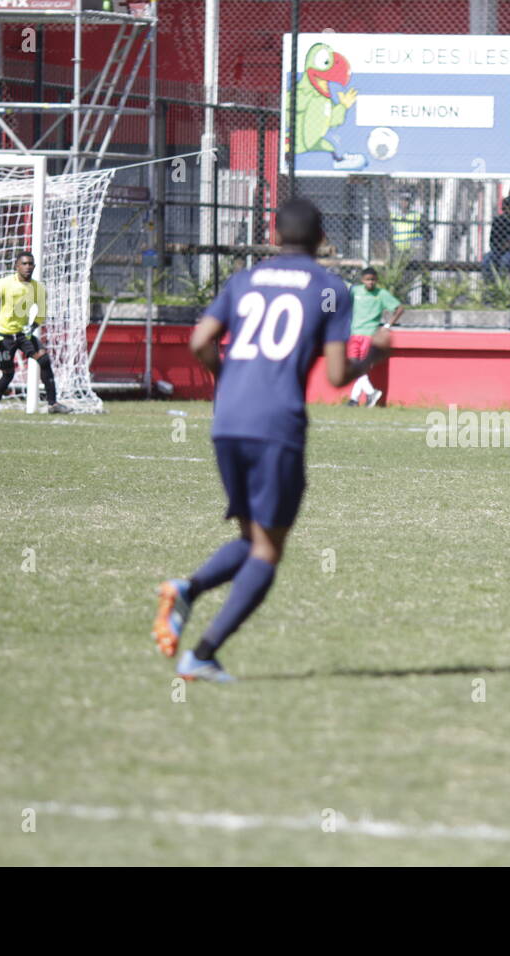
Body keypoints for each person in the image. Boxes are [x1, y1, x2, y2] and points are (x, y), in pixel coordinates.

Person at [152, 198, 392, 682]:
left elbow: (200, 342)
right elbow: (340, 372)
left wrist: (231, 378)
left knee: (252, 534)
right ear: (322, 236)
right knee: (268, 548)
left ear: (274, 231)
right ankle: (202, 653)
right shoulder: (329, 289)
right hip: (275, 422)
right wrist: (376, 356)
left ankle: (188, 590)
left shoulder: (245, 279)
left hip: (227, 420)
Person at [0, 251, 70, 414]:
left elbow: (42, 312)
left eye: (31, 264)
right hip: (3, 336)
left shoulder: (37, 288)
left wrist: (33, 326)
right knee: (8, 374)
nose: (28, 267)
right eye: (24, 264)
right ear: (17, 266)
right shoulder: (4, 284)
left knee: (44, 360)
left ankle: (53, 404)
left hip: (22, 335)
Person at [347, 266, 402, 407]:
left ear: (376, 280)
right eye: (367, 280)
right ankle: (362, 396)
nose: (370, 282)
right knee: (354, 365)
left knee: (360, 367)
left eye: (373, 280)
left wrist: (387, 326)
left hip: (369, 335)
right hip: (354, 333)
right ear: (362, 280)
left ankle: (358, 398)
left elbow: (399, 308)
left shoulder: (381, 294)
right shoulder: (355, 291)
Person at [481, 195, 510, 280]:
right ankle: (490, 285)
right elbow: (492, 241)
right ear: (503, 209)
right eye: (507, 208)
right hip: (498, 250)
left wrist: (509, 245)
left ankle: (502, 284)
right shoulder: (498, 221)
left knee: (505, 261)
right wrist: (500, 248)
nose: (509, 211)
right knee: (487, 259)